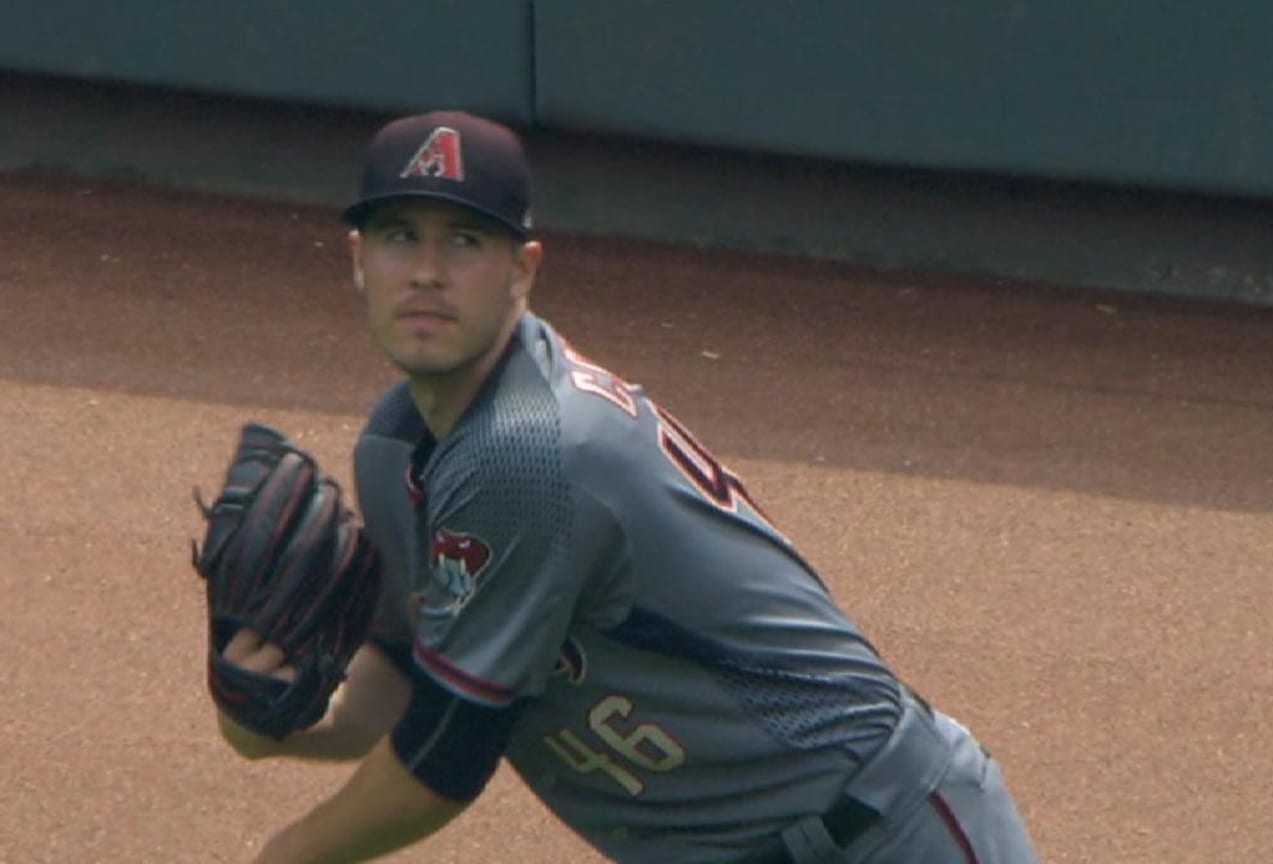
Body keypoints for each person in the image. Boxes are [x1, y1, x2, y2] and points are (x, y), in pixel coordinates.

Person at [216, 109, 1043, 864]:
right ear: (358, 261)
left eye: (465, 242)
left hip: (881, 834)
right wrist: (268, 721)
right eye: (400, 235)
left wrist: (285, 854)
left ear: (522, 270)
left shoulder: (527, 449)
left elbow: (449, 753)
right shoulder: (396, 446)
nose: (427, 271)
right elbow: (407, 685)